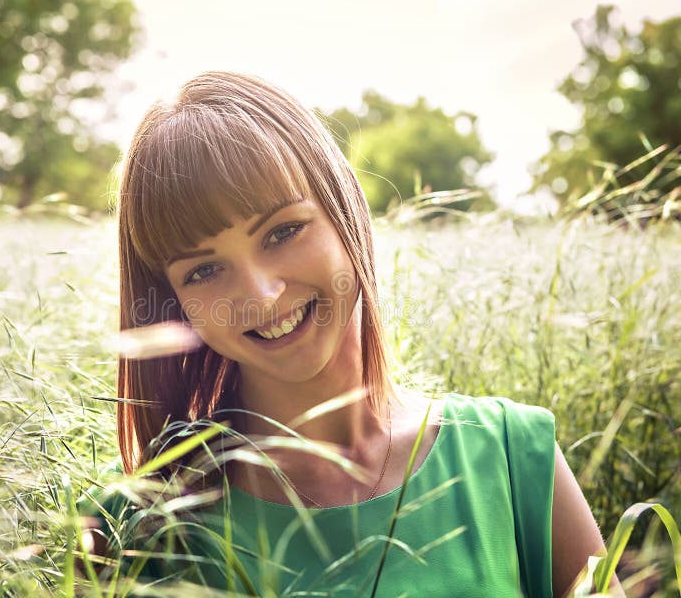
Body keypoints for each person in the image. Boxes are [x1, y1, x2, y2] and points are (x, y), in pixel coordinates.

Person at [78, 71, 620, 597]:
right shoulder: (130, 527)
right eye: (203, 270)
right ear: (176, 304)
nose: (263, 295)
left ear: (345, 212)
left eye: (283, 231)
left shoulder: (508, 453)